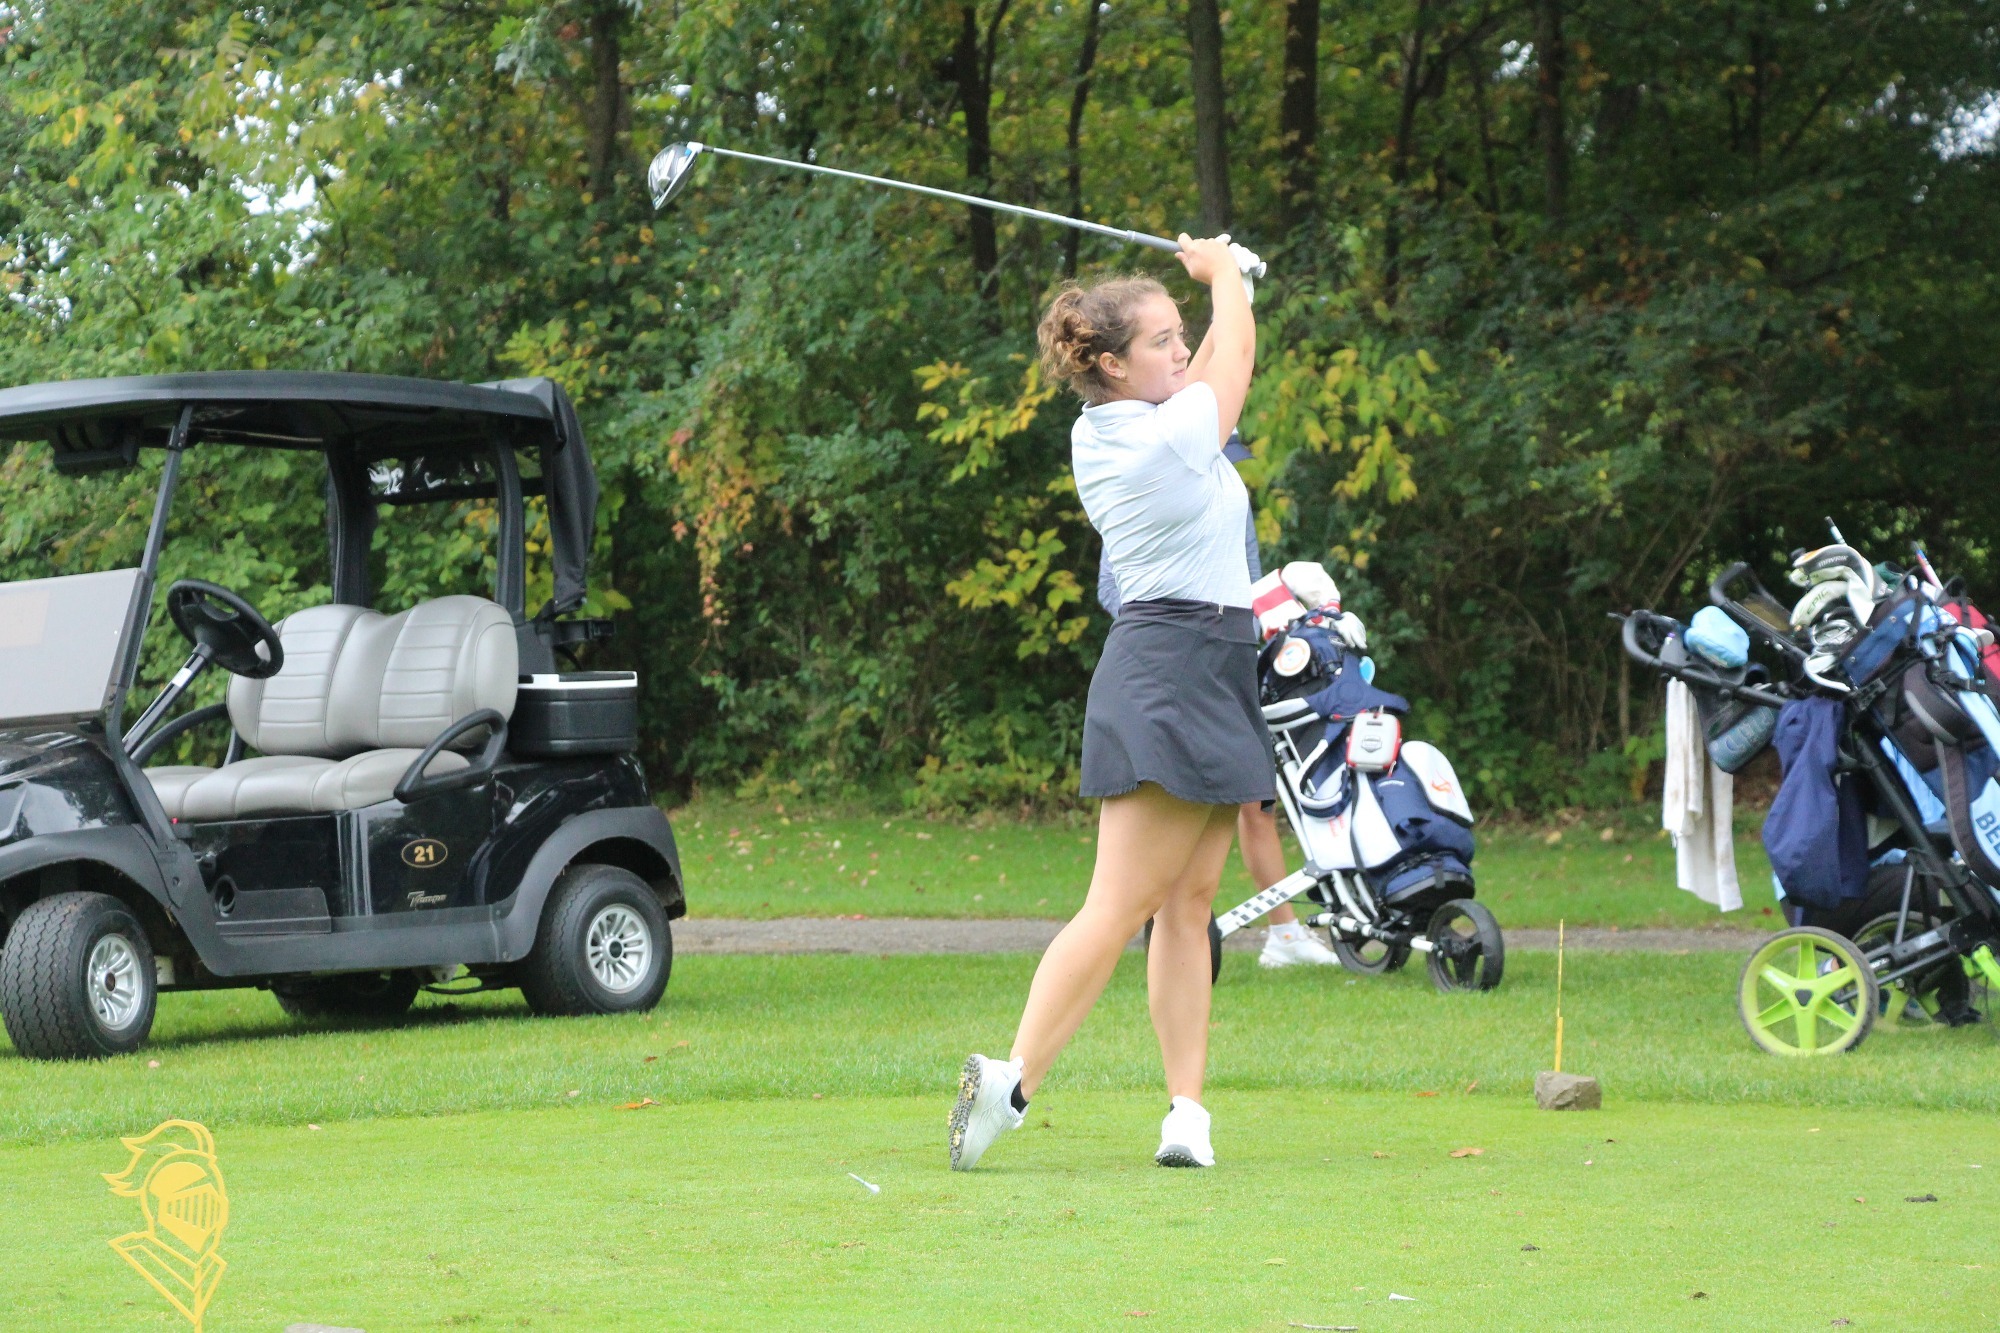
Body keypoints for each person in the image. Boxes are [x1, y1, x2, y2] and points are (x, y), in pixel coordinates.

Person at [949, 237, 1268, 1171]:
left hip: (1216, 658)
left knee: (1191, 902)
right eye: (1164, 342)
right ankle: (1007, 1085)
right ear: (1113, 365)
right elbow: (1233, 362)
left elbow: (1209, 367)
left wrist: (1217, 295)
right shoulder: (1129, 435)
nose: (1183, 351)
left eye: (1183, 338)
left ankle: (1186, 1112)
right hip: (1168, 663)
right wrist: (1229, 281)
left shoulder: (1161, 412)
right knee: (1122, 901)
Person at [1096, 439, 1340, 970]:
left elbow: (1244, 587)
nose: (1229, 469)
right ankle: (1168, 924)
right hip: (1168, 669)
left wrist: (1268, 615)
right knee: (1161, 834)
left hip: (1230, 662)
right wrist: (1181, 623)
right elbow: (1114, 588)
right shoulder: (1150, 490)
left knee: (1256, 801)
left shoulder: (1231, 496)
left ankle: (1282, 934)